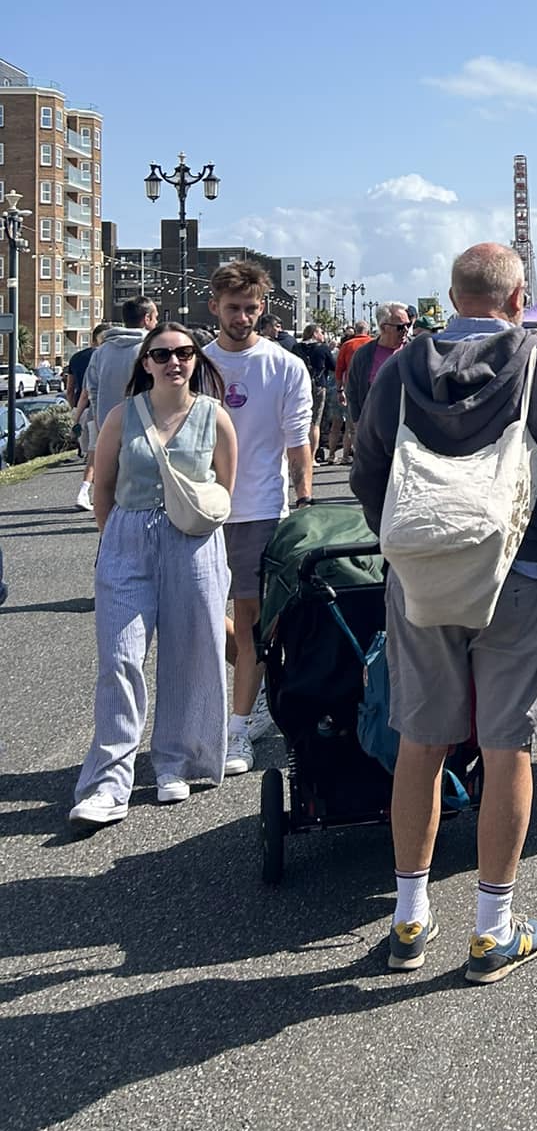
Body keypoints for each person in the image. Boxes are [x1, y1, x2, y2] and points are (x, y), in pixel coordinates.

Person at [350, 243, 537, 983]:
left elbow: (366, 472)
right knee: (506, 748)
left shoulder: (399, 369)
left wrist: (411, 544)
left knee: (420, 741)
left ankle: (408, 918)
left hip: (421, 579)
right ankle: (492, 930)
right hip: (517, 579)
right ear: (519, 299)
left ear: (451, 296)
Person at [68, 323, 239, 826]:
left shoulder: (215, 418)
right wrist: (119, 536)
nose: (174, 362)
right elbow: (103, 488)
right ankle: (108, 783)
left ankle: (176, 760)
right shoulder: (122, 416)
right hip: (127, 541)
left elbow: (224, 488)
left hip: (194, 544)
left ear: (195, 360)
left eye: (184, 353)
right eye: (162, 354)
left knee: (191, 653)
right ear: (146, 363)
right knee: (120, 658)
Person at [205, 260, 314, 775]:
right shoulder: (195, 364)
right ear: (215, 308)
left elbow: (297, 444)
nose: (243, 317)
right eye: (233, 308)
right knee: (200, 620)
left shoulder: (284, 367)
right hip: (201, 512)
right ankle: (265, 678)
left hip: (258, 510)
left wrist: (306, 501)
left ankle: (238, 727)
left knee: (248, 622)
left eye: (251, 308)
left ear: (262, 308)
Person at [81, 299, 160, 513]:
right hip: (148, 422)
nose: (157, 321)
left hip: (107, 423)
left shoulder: (101, 351)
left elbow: (92, 389)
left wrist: (99, 418)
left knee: (110, 479)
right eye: (156, 317)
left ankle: (112, 524)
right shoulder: (153, 348)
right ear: (147, 319)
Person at [344, 303, 412, 429]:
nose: (406, 330)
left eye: (408, 325)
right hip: (373, 427)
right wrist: (357, 421)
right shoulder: (364, 354)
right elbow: (352, 390)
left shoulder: (414, 351)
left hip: (408, 427)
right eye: (400, 327)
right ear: (383, 327)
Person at [67, 322, 109, 503]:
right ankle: (98, 495)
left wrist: (74, 414)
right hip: (111, 412)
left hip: (86, 410)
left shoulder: (77, 358)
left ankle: (87, 491)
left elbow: (71, 389)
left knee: (91, 454)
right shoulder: (106, 357)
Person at [296, 324, 337, 463]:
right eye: (321, 332)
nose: (323, 334)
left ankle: (298, 456)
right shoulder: (322, 348)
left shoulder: (296, 348)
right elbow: (333, 367)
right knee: (315, 422)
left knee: (299, 420)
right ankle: (311, 457)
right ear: (314, 333)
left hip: (299, 386)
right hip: (318, 385)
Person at [334, 320, 370, 462]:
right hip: (371, 384)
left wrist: (339, 389)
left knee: (352, 423)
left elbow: (339, 369)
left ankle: (358, 453)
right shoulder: (373, 343)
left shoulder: (347, 345)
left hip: (351, 385)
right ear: (367, 330)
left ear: (355, 331)